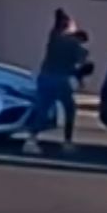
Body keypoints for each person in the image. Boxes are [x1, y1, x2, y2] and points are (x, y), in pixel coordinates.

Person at [23, 8, 89, 155]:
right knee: (69, 109)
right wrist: (81, 76)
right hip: (60, 80)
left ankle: (31, 139)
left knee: (42, 109)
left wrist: (60, 16)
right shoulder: (76, 46)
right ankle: (67, 141)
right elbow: (77, 67)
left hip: (45, 77)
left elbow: (57, 24)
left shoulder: (54, 38)